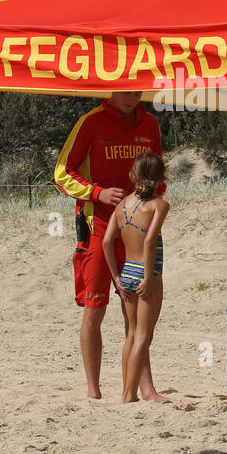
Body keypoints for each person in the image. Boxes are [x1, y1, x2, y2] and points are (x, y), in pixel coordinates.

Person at [54, 91, 165, 400]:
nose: (132, 97)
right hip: (97, 224)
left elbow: (159, 170)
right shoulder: (90, 122)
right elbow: (61, 172)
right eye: (126, 91)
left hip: (135, 228)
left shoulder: (150, 123)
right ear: (111, 89)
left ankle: (146, 388)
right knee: (95, 308)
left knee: (137, 312)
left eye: (138, 91)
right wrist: (96, 192)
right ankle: (94, 390)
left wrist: (149, 202)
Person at [103, 153, 171, 403]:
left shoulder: (122, 206)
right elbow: (151, 241)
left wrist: (116, 277)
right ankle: (128, 394)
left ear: (132, 176)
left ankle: (129, 391)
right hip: (146, 271)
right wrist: (150, 276)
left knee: (132, 334)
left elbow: (107, 241)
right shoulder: (159, 205)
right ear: (162, 178)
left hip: (127, 271)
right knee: (144, 336)